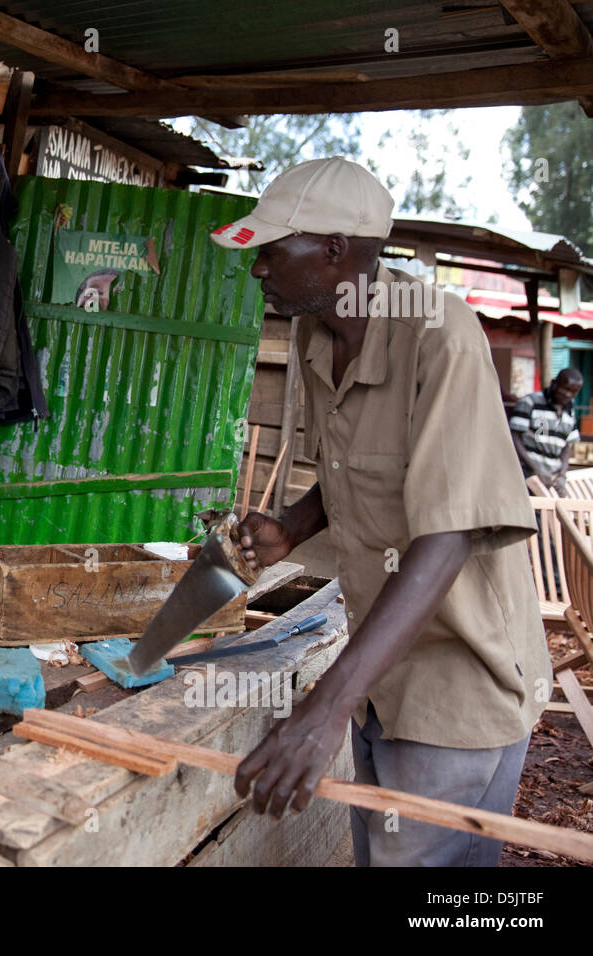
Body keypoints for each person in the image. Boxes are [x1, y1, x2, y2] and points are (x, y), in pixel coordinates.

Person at [211, 157, 550, 866]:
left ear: (335, 249)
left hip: (455, 691)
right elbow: (352, 475)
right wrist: (293, 527)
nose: (259, 270)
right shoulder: (315, 338)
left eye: (273, 251)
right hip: (377, 679)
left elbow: (447, 535)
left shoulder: (440, 335)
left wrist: (326, 707)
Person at [511, 368, 583, 495]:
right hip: (526, 474)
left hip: (551, 478)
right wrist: (536, 469)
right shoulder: (530, 402)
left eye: (574, 392)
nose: (568, 395)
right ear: (554, 383)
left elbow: (567, 445)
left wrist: (562, 474)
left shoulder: (570, 409)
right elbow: (514, 437)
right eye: (565, 389)